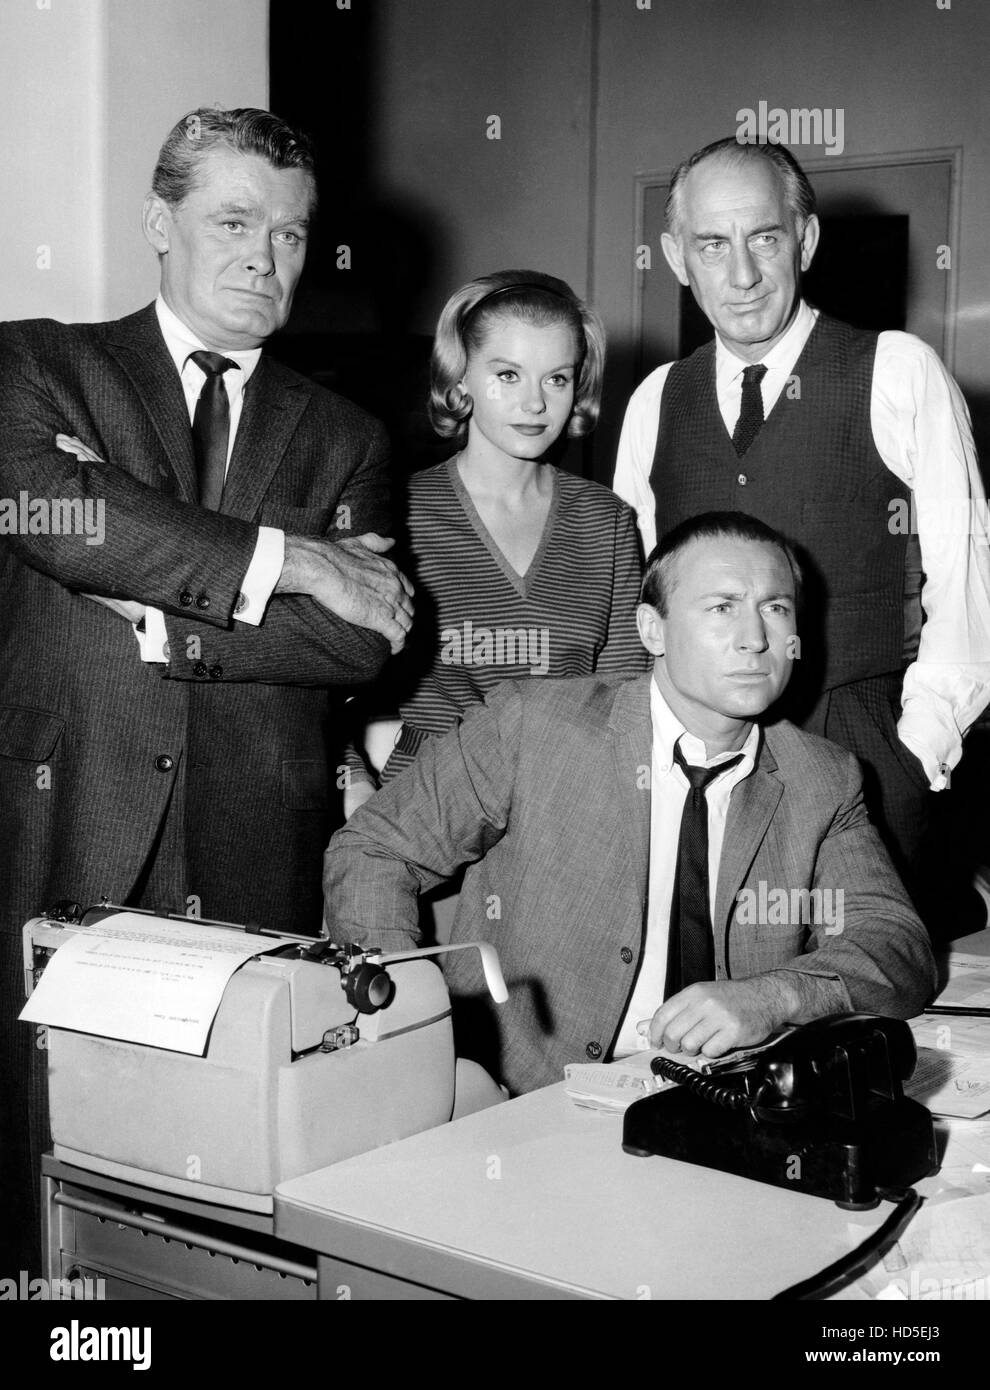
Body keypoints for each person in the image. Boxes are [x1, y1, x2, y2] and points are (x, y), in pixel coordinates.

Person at [0, 106, 413, 1273]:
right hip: (60, 806)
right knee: (41, 1143)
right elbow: (53, 511)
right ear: (158, 222)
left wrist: (156, 615)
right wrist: (297, 562)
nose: (263, 257)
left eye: (290, 234)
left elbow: (363, 648)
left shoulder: (346, 432)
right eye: (233, 220)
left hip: (251, 835)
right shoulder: (36, 361)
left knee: (232, 1170)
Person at [325, 513, 935, 1098]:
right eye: (722, 608)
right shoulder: (532, 728)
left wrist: (775, 997)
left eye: (774, 609)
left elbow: (897, 947)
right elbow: (372, 849)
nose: (755, 640)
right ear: (653, 630)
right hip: (518, 1103)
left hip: (719, 1105)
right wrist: (413, 1040)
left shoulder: (821, 780)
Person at [613, 137, 990, 942]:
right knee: (728, 1001)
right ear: (677, 257)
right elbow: (637, 612)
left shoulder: (896, 370)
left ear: (807, 240)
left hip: (867, 738)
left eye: (766, 238)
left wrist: (916, 750)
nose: (742, 275)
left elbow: (968, 577)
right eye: (713, 245)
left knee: (878, 1011)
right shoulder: (655, 401)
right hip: (711, 760)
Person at [344, 270, 648, 814]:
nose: (535, 403)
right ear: (460, 381)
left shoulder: (608, 522)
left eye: (557, 378)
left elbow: (628, 700)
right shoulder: (397, 514)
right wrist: (352, 780)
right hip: (421, 812)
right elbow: (321, 675)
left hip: (564, 809)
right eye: (508, 375)